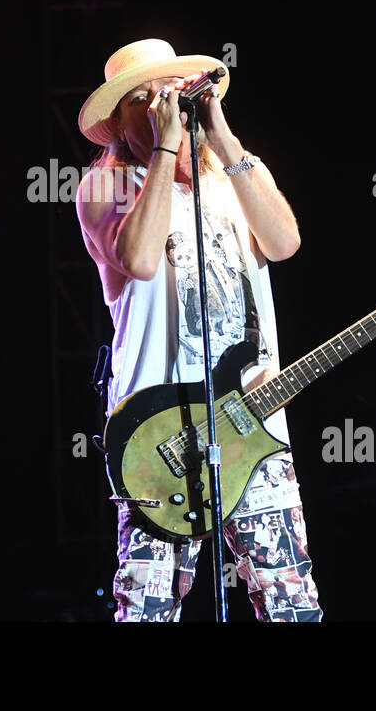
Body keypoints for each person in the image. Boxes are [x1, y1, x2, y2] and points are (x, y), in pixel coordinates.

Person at [76, 38, 322, 622]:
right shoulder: (105, 187)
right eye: (141, 99)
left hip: (253, 427)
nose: (161, 106)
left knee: (291, 604)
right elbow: (136, 259)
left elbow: (285, 245)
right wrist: (164, 150)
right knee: (148, 609)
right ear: (118, 123)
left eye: (170, 95)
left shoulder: (235, 175)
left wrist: (222, 136)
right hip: (156, 435)